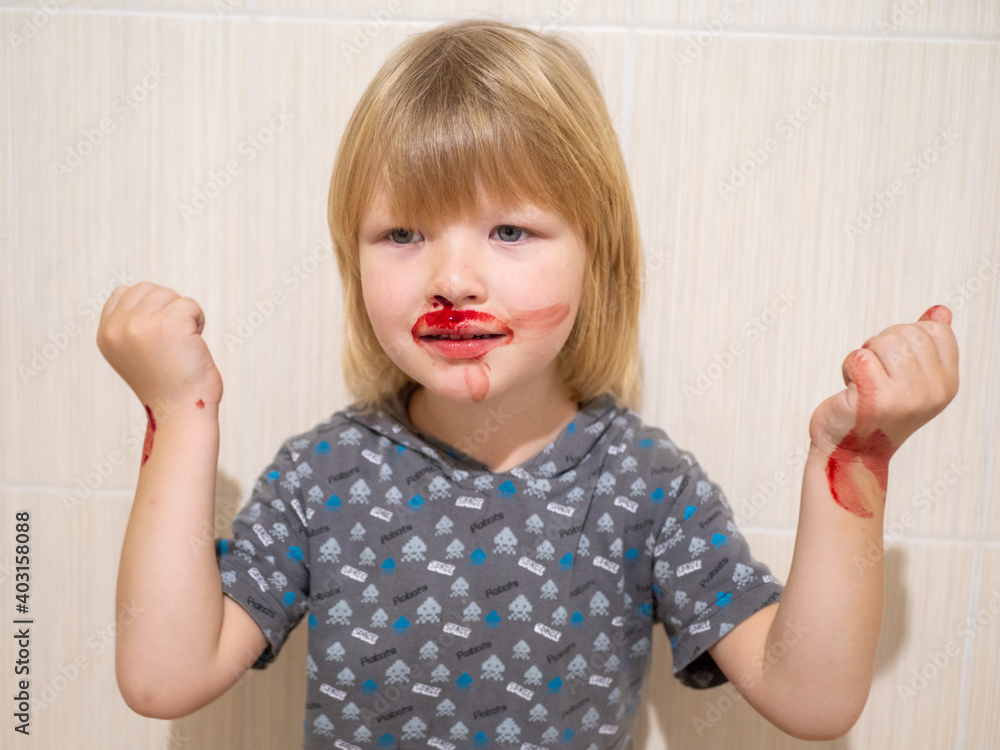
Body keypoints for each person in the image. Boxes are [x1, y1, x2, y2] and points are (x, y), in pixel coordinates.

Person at [96, 19, 959, 749]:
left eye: (510, 229)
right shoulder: (323, 477)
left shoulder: (641, 485)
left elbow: (812, 697)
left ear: (598, 260)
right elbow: (163, 677)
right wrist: (179, 413)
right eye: (402, 233)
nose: (453, 278)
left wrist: (854, 460)